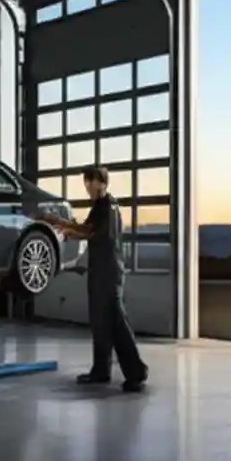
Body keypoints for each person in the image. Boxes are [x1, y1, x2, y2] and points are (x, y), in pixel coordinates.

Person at [42, 166, 148, 392]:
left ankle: (136, 372)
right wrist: (63, 224)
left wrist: (62, 225)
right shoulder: (102, 206)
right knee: (100, 323)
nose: (88, 185)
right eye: (86, 181)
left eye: (92, 181)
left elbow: (90, 231)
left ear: (103, 183)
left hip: (108, 273)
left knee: (116, 323)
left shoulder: (107, 206)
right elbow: (86, 228)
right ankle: (101, 371)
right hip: (101, 271)